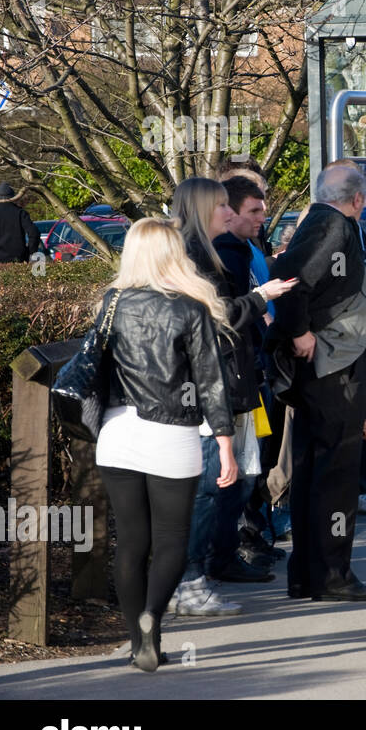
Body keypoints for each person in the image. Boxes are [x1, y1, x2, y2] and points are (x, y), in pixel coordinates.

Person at [93, 218, 237, 671]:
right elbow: (212, 383)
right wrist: (226, 444)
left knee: (131, 542)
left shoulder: (109, 303)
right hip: (171, 432)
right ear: (176, 254)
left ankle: (139, 641)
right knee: (172, 539)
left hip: (117, 432)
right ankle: (154, 615)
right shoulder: (192, 308)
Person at [167, 178, 297, 616]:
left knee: (230, 479)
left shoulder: (215, 249)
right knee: (209, 486)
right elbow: (214, 321)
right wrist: (261, 297)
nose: (231, 212)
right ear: (205, 209)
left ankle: (205, 568)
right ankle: (190, 579)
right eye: (223, 205)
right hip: (212, 384)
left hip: (232, 377)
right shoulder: (198, 255)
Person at [267, 162, 366, 601]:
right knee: (335, 472)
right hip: (334, 370)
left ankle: (308, 574)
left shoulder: (317, 221)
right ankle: (332, 574)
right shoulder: (333, 225)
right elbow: (290, 281)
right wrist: (299, 333)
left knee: (313, 469)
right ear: (357, 200)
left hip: (324, 368)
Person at [0, 183, 40, 263]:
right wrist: (30, 252)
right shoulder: (20, 213)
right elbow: (34, 233)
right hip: (17, 261)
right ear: (13, 197)